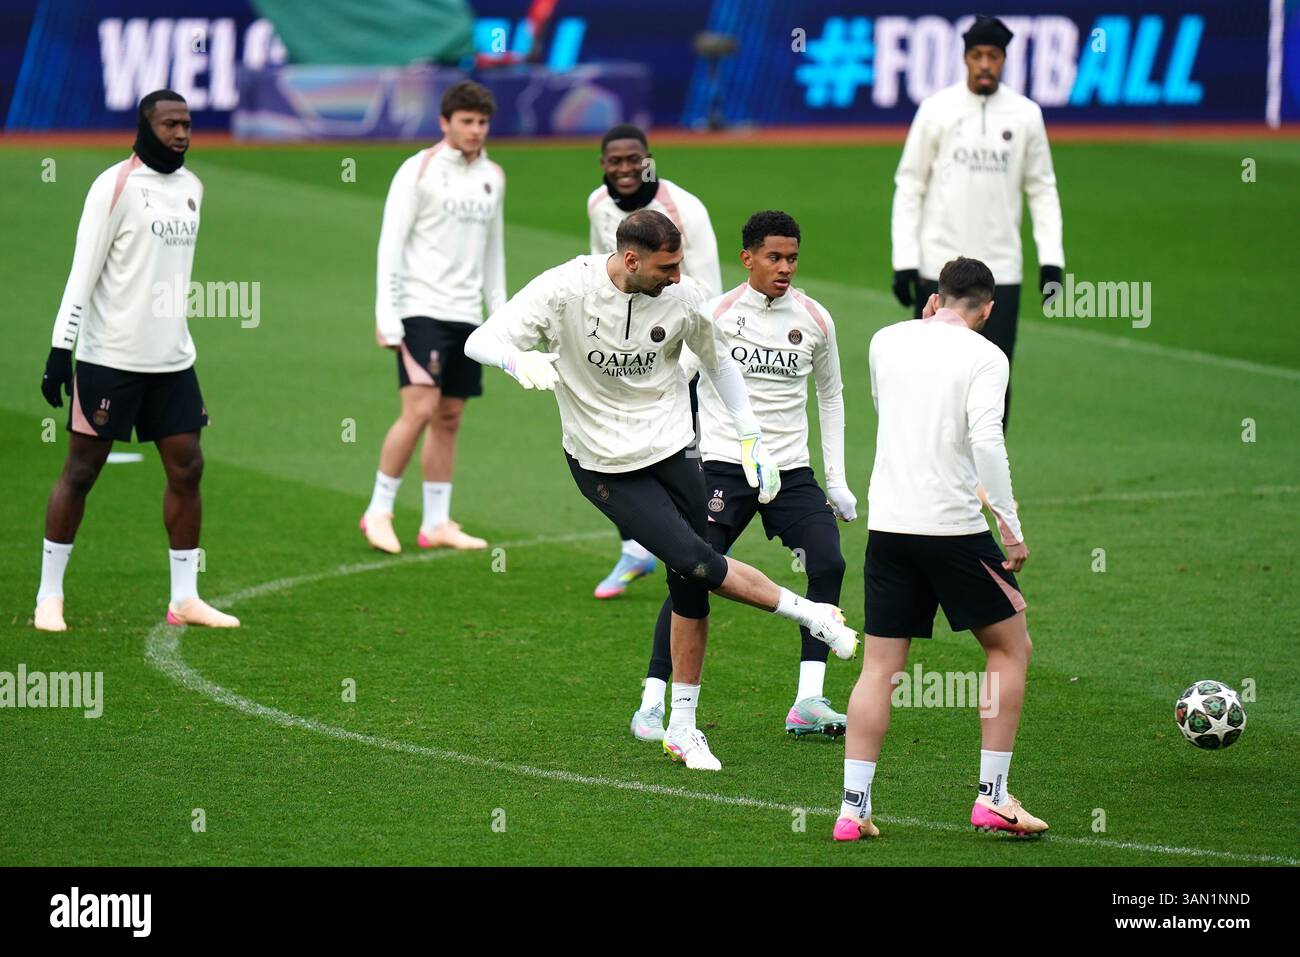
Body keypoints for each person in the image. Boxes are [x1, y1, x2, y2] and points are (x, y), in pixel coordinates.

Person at [465, 210, 858, 771]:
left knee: (691, 583)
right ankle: (810, 615)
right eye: (667, 266)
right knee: (695, 560)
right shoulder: (564, 289)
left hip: (673, 448)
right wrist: (515, 357)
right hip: (602, 464)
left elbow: (720, 365)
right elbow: (480, 339)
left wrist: (750, 437)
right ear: (631, 259)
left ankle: (682, 725)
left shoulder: (686, 296)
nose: (678, 276)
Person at [833, 257, 1046, 842]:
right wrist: (1009, 523)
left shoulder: (886, 340)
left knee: (880, 668)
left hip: (891, 526)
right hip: (953, 529)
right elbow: (985, 438)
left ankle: (852, 809)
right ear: (988, 309)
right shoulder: (987, 356)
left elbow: (900, 417)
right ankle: (993, 797)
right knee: (1010, 646)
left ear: (933, 299)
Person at [629, 211, 857, 743]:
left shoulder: (816, 320)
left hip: (790, 470)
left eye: (793, 258)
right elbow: (673, 378)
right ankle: (652, 699)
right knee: (692, 572)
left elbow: (831, 396)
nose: (785, 268)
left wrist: (838, 479)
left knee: (827, 560)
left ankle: (808, 700)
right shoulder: (716, 314)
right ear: (747, 257)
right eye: (774, 257)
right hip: (724, 466)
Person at [34, 89, 237, 632]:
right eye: (170, 124)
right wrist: (61, 349)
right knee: (80, 471)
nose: (181, 134)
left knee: (188, 468)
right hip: (110, 359)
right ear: (146, 127)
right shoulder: (114, 186)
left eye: (187, 124)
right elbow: (83, 272)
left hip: (172, 360)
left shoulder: (193, 188)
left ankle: (185, 599)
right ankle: (48, 596)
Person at [889, 15, 1064, 429]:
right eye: (977, 56)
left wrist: (1051, 260)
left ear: (1004, 60)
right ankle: (933, 480)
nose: (985, 64)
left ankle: (988, 484)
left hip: (1000, 271)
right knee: (932, 381)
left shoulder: (1025, 115)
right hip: (939, 270)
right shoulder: (936, 110)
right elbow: (909, 184)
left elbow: (1042, 188)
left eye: (994, 56)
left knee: (994, 380)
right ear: (965, 58)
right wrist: (904, 261)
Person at [360, 81, 506, 554]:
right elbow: (390, 244)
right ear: (445, 123)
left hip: (468, 316)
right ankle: (378, 510)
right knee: (419, 409)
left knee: (450, 416)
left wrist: (500, 318)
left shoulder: (493, 177)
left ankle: (437, 522)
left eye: (482, 122)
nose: (475, 130)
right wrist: (387, 314)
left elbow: (493, 254)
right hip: (420, 309)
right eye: (466, 121)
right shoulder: (417, 170)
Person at [585, 124, 722, 598]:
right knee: (607, 451)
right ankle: (634, 550)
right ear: (603, 164)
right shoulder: (597, 205)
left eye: (633, 160)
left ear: (649, 160)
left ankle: (695, 564)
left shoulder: (685, 211)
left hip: (675, 357)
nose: (625, 170)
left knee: (681, 462)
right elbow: (596, 275)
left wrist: (685, 369)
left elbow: (708, 296)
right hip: (618, 356)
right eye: (614, 161)